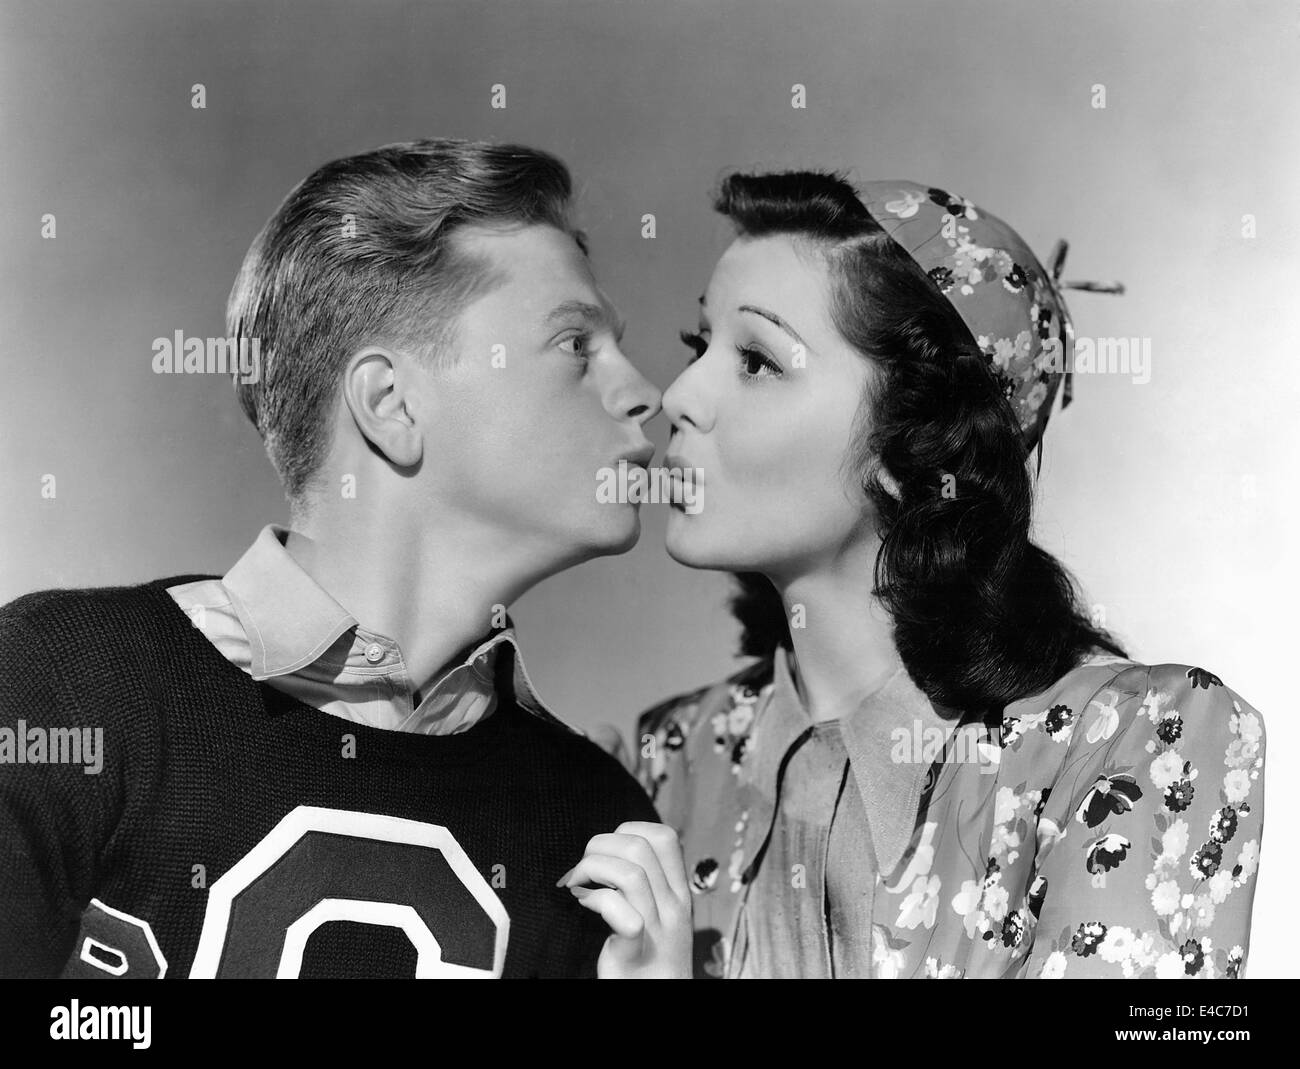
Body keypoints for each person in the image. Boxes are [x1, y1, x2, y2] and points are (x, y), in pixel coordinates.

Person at [0, 139, 691, 979]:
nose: (647, 391)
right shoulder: (61, 686)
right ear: (390, 404)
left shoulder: (598, 826)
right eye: (577, 344)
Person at [635, 173, 1265, 978]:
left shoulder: (1133, 741)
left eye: (757, 360)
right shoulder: (676, 754)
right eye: (699, 347)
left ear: (917, 446)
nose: (680, 393)